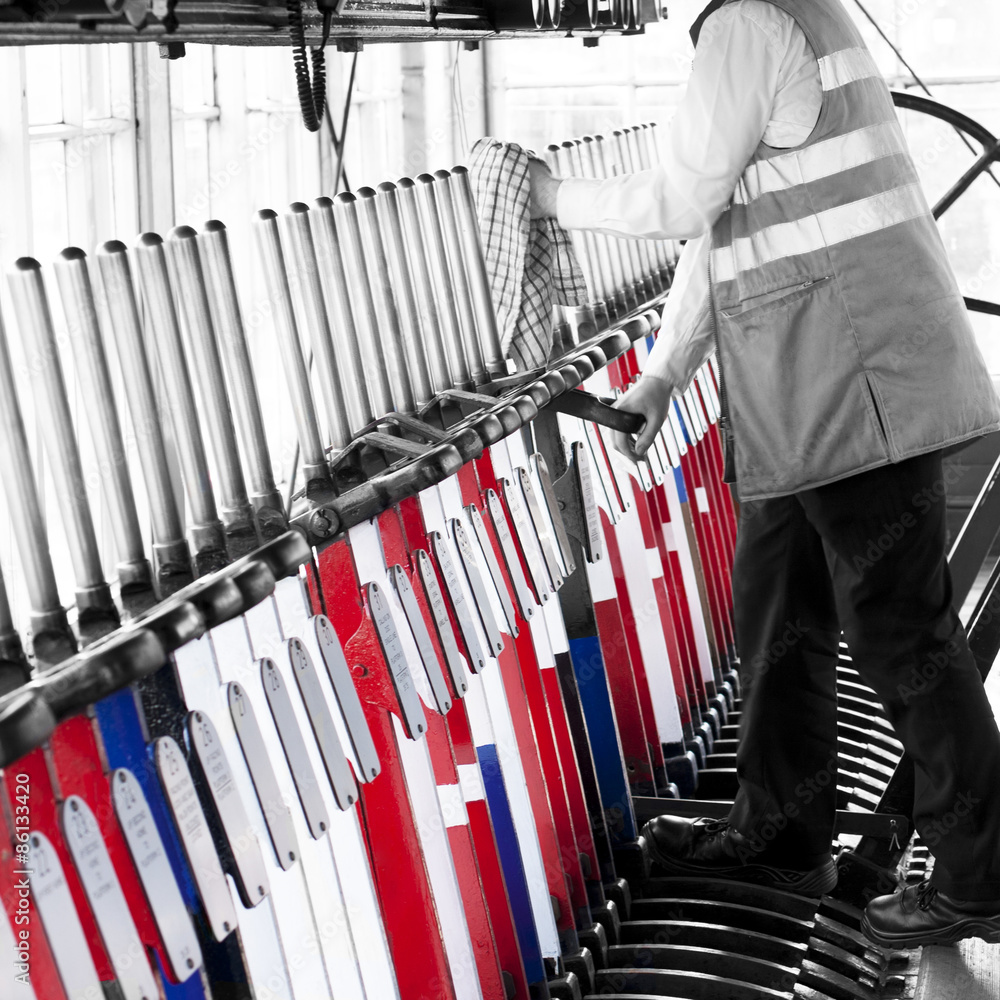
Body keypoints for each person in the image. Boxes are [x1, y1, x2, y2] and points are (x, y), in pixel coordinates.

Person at [529, 0, 1000, 949]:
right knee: (777, 602)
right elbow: (728, 225)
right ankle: (783, 834)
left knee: (899, 625)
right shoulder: (782, 20)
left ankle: (982, 873)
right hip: (806, 380)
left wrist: (546, 197)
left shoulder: (751, 23)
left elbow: (679, 202)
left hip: (854, 375)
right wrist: (664, 373)